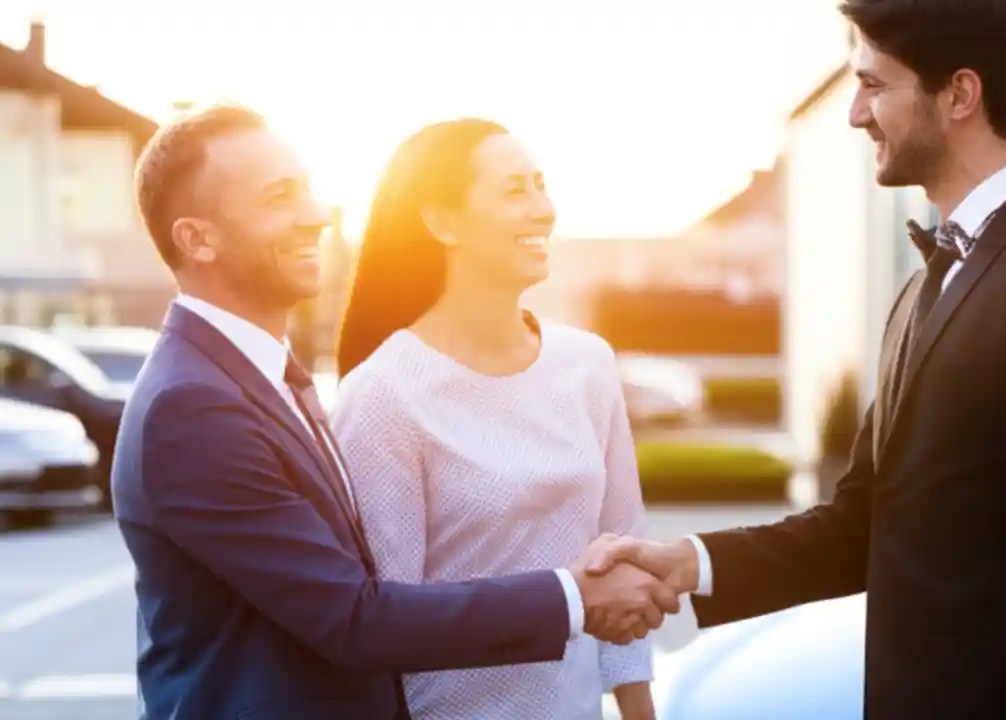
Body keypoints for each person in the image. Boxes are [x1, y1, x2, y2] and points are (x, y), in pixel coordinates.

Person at [588, 0, 1006, 717]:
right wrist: (690, 562)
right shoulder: (924, 285)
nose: (856, 114)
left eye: (875, 85)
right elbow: (861, 526)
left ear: (960, 94)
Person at [111, 105, 676, 720]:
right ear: (198, 239)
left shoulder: (259, 375)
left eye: (307, 189)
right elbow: (356, 617)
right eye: (279, 198)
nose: (314, 215)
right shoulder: (191, 408)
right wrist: (573, 598)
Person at [327, 118, 656, 720]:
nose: (543, 209)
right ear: (441, 221)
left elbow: (624, 562)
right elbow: (386, 622)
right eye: (514, 191)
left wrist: (640, 712)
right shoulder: (383, 394)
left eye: (541, 185)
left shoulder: (587, 364)